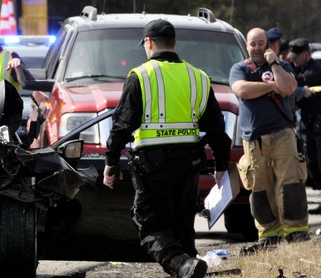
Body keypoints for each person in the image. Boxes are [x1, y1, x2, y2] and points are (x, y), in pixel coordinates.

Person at [103, 19, 231, 278]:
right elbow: (218, 130)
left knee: (150, 225)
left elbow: (122, 125)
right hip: (189, 162)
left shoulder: (140, 75)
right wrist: (220, 166)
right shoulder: (198, 77)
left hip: (153, 163)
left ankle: (182, 264)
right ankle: (189, 266)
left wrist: (111, 162)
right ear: (174, 43)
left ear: (148, 43)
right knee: (183, 223)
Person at [229, 28, 310, 255]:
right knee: (260, 187)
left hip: (283, 134)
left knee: (290, 183)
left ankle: (296, 231)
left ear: (268, 46)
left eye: (261, 43)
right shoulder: (240, 68)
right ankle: (269, 234)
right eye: (253, 44)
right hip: (253, 139)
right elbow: (242, 90)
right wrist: (271, 86)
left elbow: (288, 87)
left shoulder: (282, 67)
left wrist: (274, 65)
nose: (257, 48)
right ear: (246, 45)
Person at [288, 38, 321, 205]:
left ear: (307, 55)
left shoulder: (315, 71)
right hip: (310, 125)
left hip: (319, 124)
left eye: (296, 56)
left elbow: (299, 82)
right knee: (314, 165)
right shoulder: (300, 70)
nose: (292, 60)